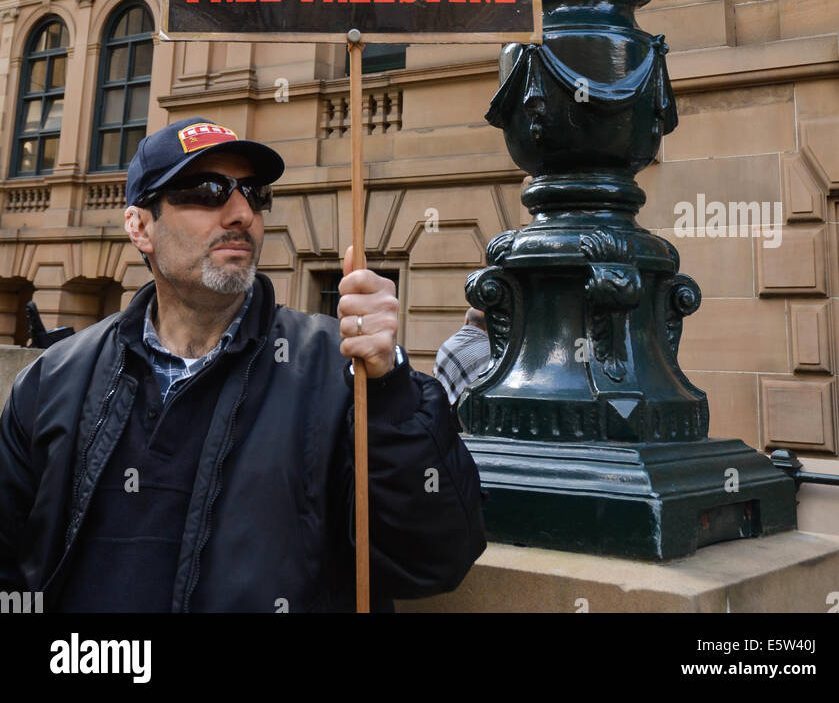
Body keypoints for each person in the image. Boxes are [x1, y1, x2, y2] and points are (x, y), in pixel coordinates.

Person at [0, 117, 485, 613]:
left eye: (252, 193)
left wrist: (390, 385)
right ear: (140, 226)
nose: (241, 213)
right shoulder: (54, 380)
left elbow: (432, 559)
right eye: (207, 189)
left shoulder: (341, 371)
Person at [433, 309, 492, 418]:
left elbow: (437, 377)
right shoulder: (489, 349)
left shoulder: (447, 345)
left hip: (446, 409)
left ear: (466, 321)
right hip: (475, 411)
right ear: (485, 326)